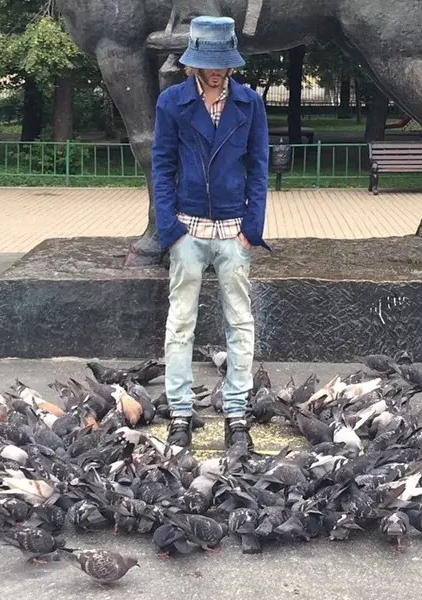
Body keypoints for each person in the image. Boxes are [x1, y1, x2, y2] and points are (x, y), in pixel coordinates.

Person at [152, 16, 269, 450]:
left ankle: (236, 415)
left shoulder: (249, 104)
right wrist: (172, 231)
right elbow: (161, 167)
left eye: (223, 62)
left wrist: (250, 230)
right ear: (194, 63)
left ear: (232, 62)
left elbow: (258, 170)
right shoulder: (172, 102)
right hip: (189, 231)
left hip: (233, 232)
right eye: (208, 62)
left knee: (240, 323)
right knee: (180, 324)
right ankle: (181, 413)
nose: (216, 70)